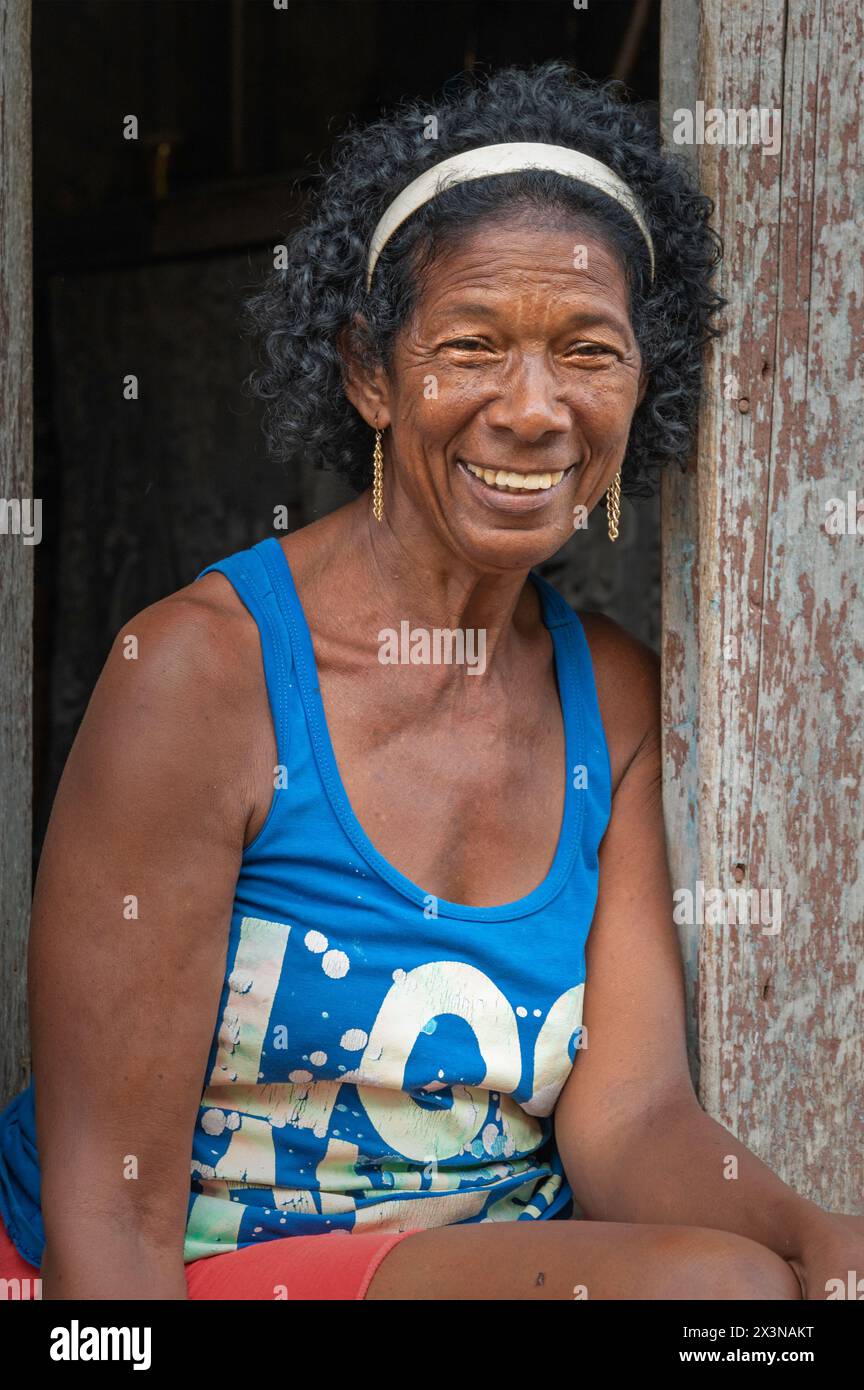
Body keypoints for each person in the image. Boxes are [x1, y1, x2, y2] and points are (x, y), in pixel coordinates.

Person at [0, 62, 860, 1301]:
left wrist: (813, 1233)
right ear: (369, 372)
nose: (533, 409)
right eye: (472, 346)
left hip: (476, 1262)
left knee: (754, 1295)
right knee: (708, 1299)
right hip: (189, 1276)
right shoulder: (202, 676)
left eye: (587, 351)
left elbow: (627, 1125)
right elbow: (108, 1210)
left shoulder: (608, 700)